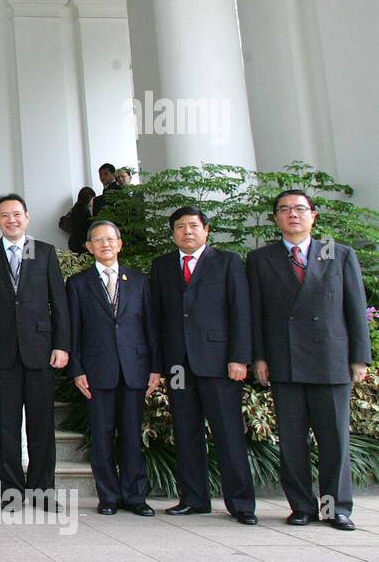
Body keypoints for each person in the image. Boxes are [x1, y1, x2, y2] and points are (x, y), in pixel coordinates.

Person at [248, 190, 371, 530]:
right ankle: (300, 506)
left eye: (300, 209)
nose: (293, 215)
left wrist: (360, 356)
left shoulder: (339, 254)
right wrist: (258, 355)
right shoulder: (261, 259)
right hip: (284, 359)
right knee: (292, 440)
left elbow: (355, 309)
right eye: (285, 209)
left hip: (330, 359)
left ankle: (335, 508)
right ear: (276, 218)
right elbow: (255, 314)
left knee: (333, 438)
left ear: (313, 215)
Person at [149, 206, 257, 524]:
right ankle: (194, 498)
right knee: (186, 432)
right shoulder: (163, 266)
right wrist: (159, 364)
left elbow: (241, 312)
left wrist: (240, 357)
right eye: (180, 227)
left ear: (206, 229)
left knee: (228, 433)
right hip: (179, 365)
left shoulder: (227, 263)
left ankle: (241, 504)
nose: (187, 231)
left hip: (219, 363)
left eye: (193, 226)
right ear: (173, 233)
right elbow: (156, 319)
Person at [0, 194, 70, 509]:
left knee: (41, 424)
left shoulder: (43, 252)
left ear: (26, 216)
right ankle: (11, 492)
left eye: (16, 214)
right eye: (4, 215)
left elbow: (60, 304)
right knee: (6, 424)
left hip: (40, 350)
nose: (11, 220)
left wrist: (62, 344)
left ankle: (43, 492)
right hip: (1, 352)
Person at [68, 221, 162, 516]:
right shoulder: (78, 284)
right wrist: (77, 369)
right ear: (89, 247)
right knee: (102, 435)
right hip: (97, 370)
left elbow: (151, 327)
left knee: (133, 435)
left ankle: (135, 495)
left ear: (120, 244)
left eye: (110, 239)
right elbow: (74, 331)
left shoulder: (138, 281)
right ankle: (108, 495)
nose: (105, 244)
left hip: (134, 368)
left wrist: (155, 368)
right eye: (98, 240)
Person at [59, 186, 96, 252]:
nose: (94, 201)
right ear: (89, 198)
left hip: (75, 243)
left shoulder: (76, 207)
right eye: (93, 198)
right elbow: (80, 228)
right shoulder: (82, 209)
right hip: (80, 244)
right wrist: (84, 243)